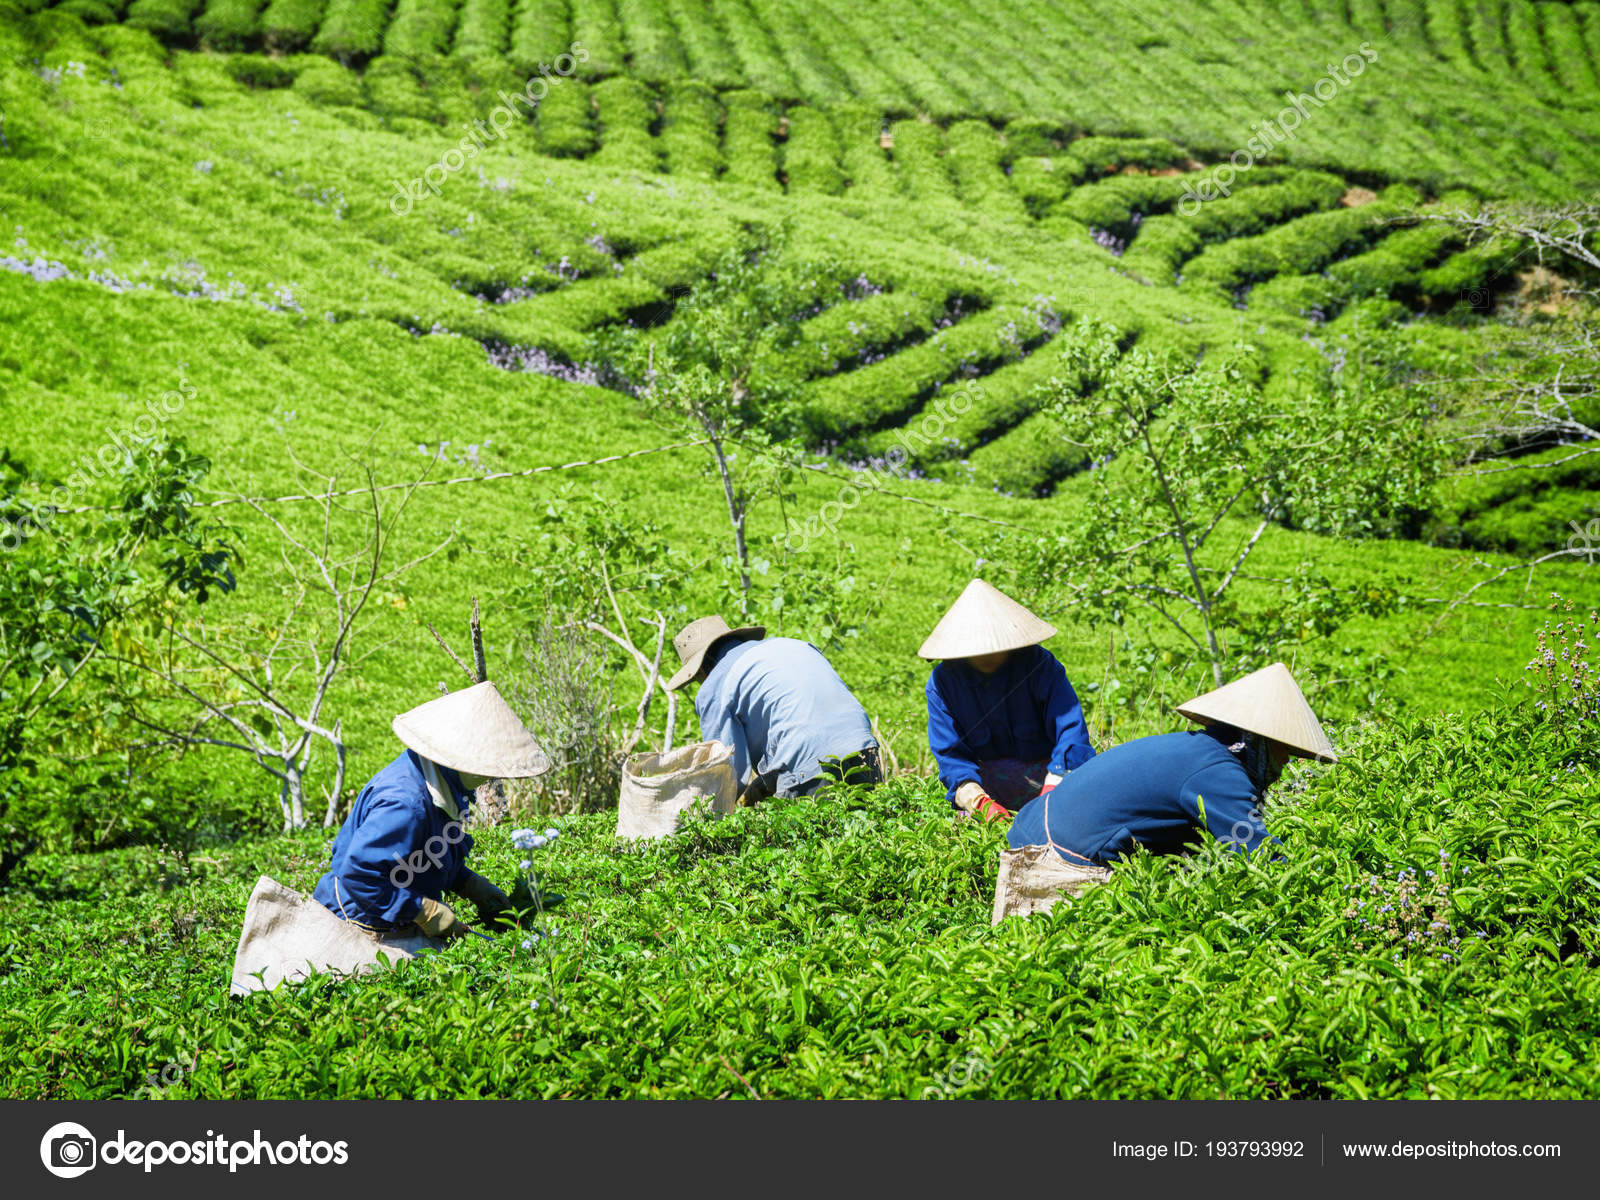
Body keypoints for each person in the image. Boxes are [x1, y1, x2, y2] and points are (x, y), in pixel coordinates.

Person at [1008, 662, 1336, 867]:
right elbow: (1260, 854)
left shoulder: (1196, 748)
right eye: (1284, 750)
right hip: (1055, 854)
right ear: (1257, 741)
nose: (1287, 762)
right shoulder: (1220, 773)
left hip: (1031, 825)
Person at [313, 680, 550, 939]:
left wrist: (468, 883)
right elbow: (359, 875)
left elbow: (425, 854)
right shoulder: (404, 805)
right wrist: (423, 911)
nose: (492, 777)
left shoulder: (446, 782)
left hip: (392, 912)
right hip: (360, 920)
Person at [921, 578, 1095, 822]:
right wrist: (979, 802)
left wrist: (1053, 791)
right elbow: (952, 759)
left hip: (1050, 780)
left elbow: (1072, 737)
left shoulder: (1040, 667)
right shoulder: (943, 684)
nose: (987, 654)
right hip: (988, 789)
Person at [665, 615, 881, 804]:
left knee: (808, 847)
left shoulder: (714, 686)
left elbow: (725, 773)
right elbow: (803, 725)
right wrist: (763, 786)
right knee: (867, 836)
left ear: (703, 667)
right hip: (862, 745)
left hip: (810, 765)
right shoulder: (792, 645)